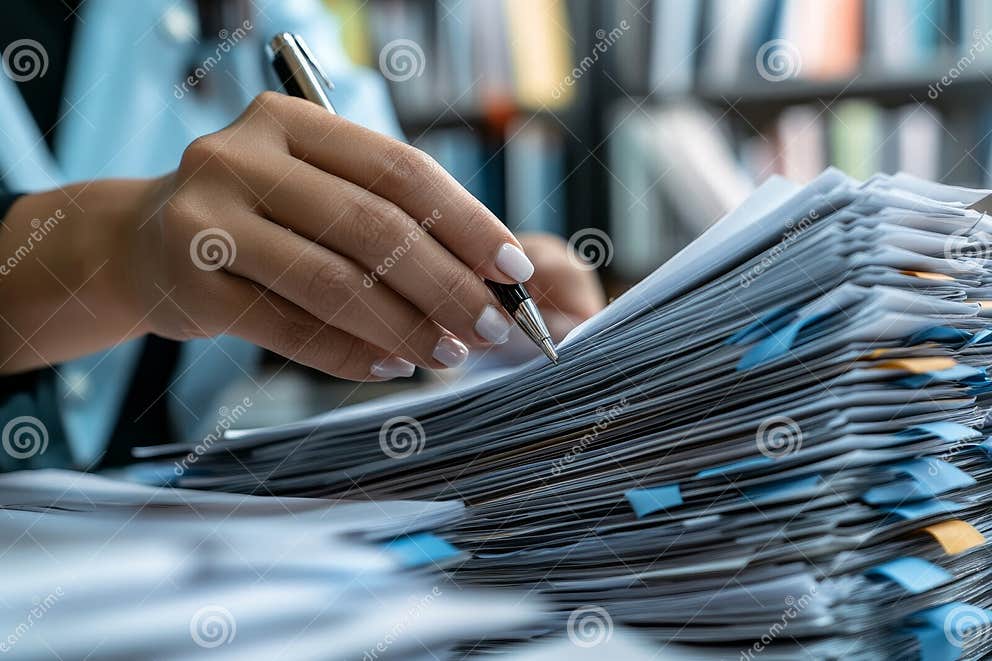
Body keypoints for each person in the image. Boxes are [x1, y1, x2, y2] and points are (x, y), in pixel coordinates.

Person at [0, 0, 605, 471]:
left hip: (180, 528)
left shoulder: (268, 12)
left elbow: (361, 228)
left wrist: (442, 277)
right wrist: (127, 254)